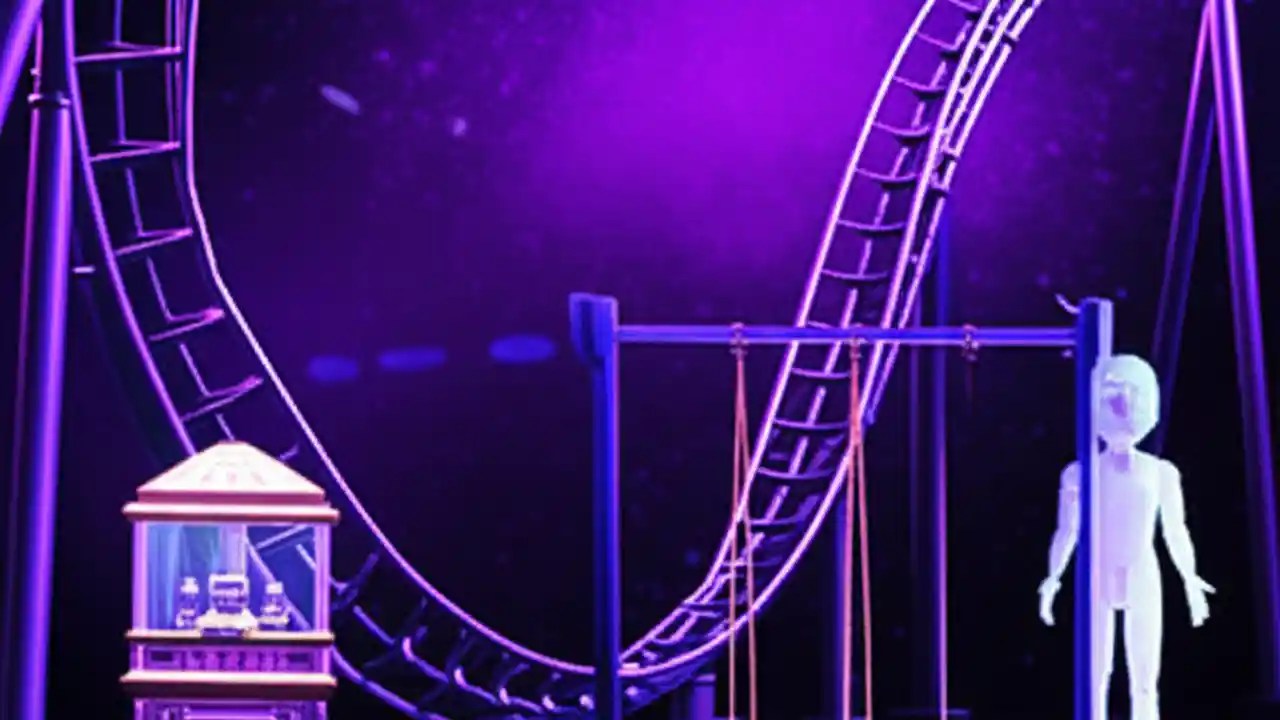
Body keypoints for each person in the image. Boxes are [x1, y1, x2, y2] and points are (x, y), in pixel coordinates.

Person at [1036, 354, 1214, 720]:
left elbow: (1175, 529)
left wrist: (1190, 579)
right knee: (1096, 677)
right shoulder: (1079, 474)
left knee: (1145, 680)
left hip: (1142, 572)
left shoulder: (1160, 472)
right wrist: (1052, 579)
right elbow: (1066, 530)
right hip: (1097, 571)